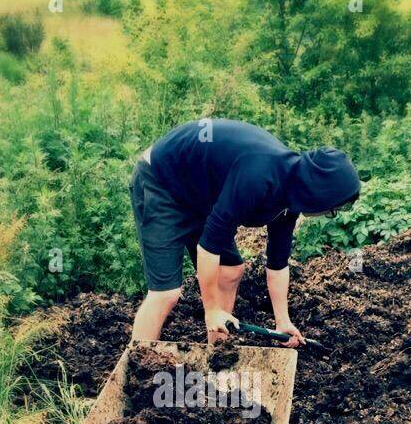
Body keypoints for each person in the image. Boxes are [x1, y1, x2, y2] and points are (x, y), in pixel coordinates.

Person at [129, 118, 360, 346]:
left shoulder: (291, 196)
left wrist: (282, 321)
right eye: (333, 208)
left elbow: (278, 264)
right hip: (162, 179)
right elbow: (208, 247)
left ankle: (216, 353)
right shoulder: (259, 176)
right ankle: (136, 368)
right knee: (166, 293)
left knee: (230, 271)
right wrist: (211, 310)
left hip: (198, 192)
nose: (329, 213)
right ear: (321, 193)